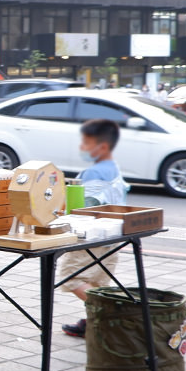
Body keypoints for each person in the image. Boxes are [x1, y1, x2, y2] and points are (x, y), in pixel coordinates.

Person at [61, 119, 129, 337]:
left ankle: (109, 316)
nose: (82, 148)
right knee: (99, 282)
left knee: (71, 277)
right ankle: (95, 322)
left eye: (86, 143)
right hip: (113, 233)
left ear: (103, 147)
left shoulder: (94, 174)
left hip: (90, 235)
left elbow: (84, 206)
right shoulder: (114, 169)